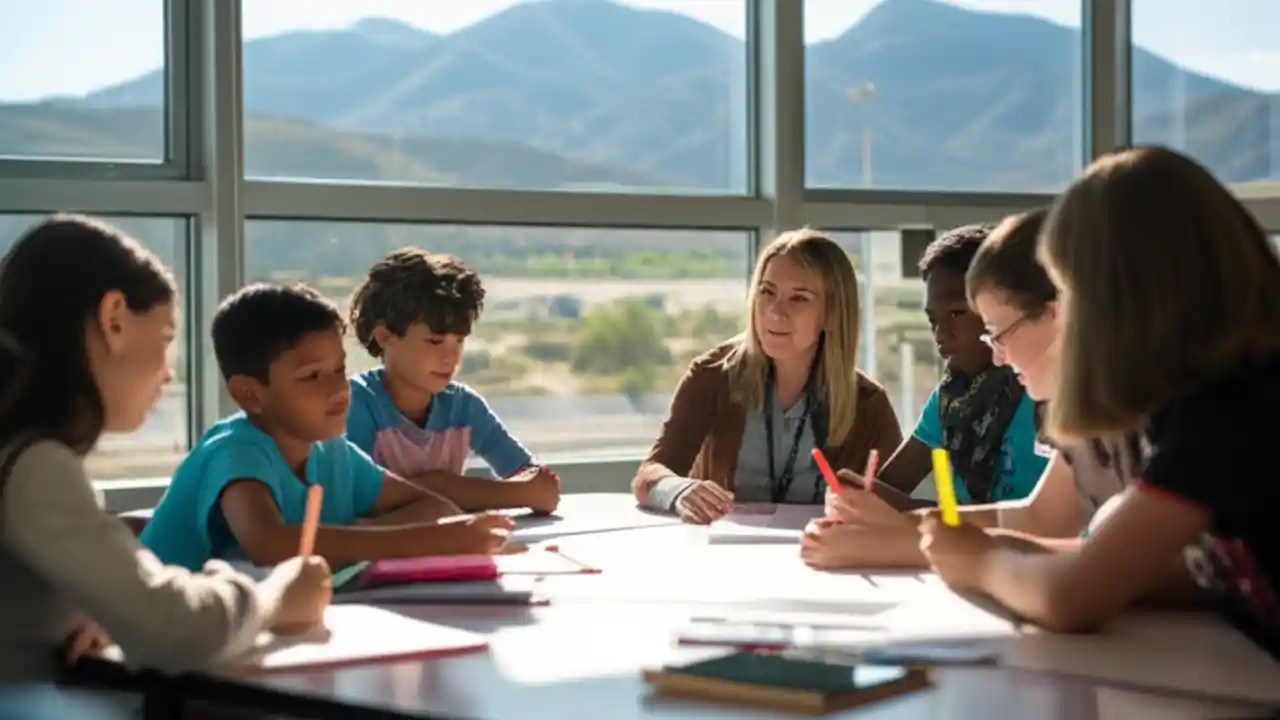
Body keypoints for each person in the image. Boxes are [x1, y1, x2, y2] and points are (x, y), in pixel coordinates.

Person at [920, 146, 1280, 659]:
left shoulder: (1230, 407)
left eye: (1070, 291)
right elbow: (1169, 575)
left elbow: (1069, 599)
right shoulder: (1206, 397)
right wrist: (1009, 554)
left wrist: (983, 564)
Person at [0, 216, 329, 682]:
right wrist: (275, 594)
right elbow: (177, 631)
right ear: (113, 318)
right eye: (165, 338)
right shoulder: (36, 466)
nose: (169, 373)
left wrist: (103, 615)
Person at [804, 209, 1142, 569]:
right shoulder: (962, 399)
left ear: (1057, 312)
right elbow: (1034, 519)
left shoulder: (1131, 412)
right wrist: (886, 523)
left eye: (997, 331)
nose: (998, 357)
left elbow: (1085, 570)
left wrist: (891, 543)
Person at [142, 283, 514, 571]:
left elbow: (434, 506)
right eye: (312, 376)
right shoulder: (236, 450)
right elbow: (272, 546)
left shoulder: (332, 451)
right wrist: (429, 541)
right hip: (159, 642)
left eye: (339, 369)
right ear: (250, 394)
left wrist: (357, 536)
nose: (338, 388)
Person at [633, 228, 903, 524]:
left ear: (832, 313)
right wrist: (679, 490)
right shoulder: (712, 376)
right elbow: (650, 474)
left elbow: (894, 506)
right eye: (767, 292)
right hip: (725, 556)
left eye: (798, 298)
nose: (775, 311)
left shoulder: (867, 404)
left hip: (823, 557)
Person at [346, 249, 560, 514]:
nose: (451, 355)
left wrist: (443, 489)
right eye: (435, 341)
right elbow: (357, 499)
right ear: (384, 337)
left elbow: (539, 487)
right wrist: (444, 487)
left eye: (459, 340)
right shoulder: (356, 404)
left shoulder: (463, 406)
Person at [857, 224, 1048, 512]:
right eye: (933, 320)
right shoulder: (952, 399)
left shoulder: (1043, 389)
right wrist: (853, 492)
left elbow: (1050, 520)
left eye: (957, 313)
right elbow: (891, 485)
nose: (940, 334)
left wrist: (930, 516)